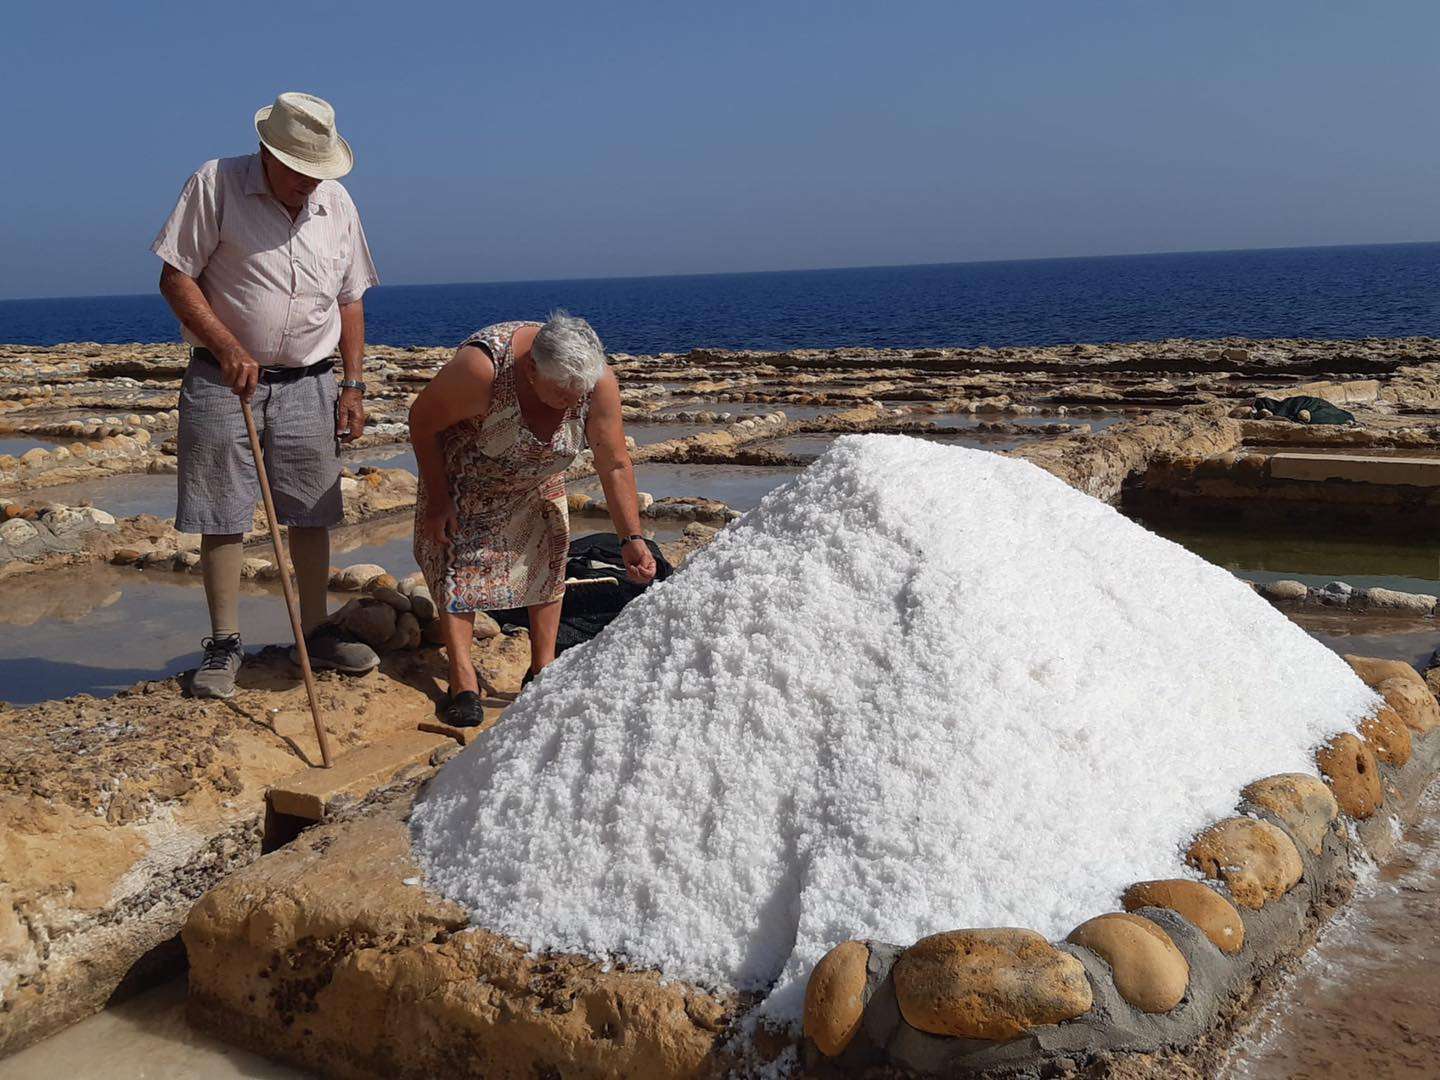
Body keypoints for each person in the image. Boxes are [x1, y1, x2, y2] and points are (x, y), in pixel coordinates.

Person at [152, 92, 381, 699]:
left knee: (313, 508)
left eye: (318, 173)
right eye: (298, 171)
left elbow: (351, 298)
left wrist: (352, 385)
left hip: (312, 379)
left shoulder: (337, 202)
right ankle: (225, 643)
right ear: (266, 152)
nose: (309, 184)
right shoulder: (216, 183)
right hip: (223, 378)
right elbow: (175, 276)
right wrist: (228, 345)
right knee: (221, 510)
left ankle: (315, 630)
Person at [409, 314, 657, 726]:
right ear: (530, 369)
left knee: (550, 555)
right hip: (468, 472)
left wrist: (631, 536)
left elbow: (613, 463)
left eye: (577, 393)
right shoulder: (481, 369)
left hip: (537, 476)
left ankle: (542, 668)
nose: (570, 402)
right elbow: (421, 421)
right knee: (459, 563)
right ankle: (463, 678)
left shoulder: (594, 382)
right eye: (560, 392)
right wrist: (438, 499)